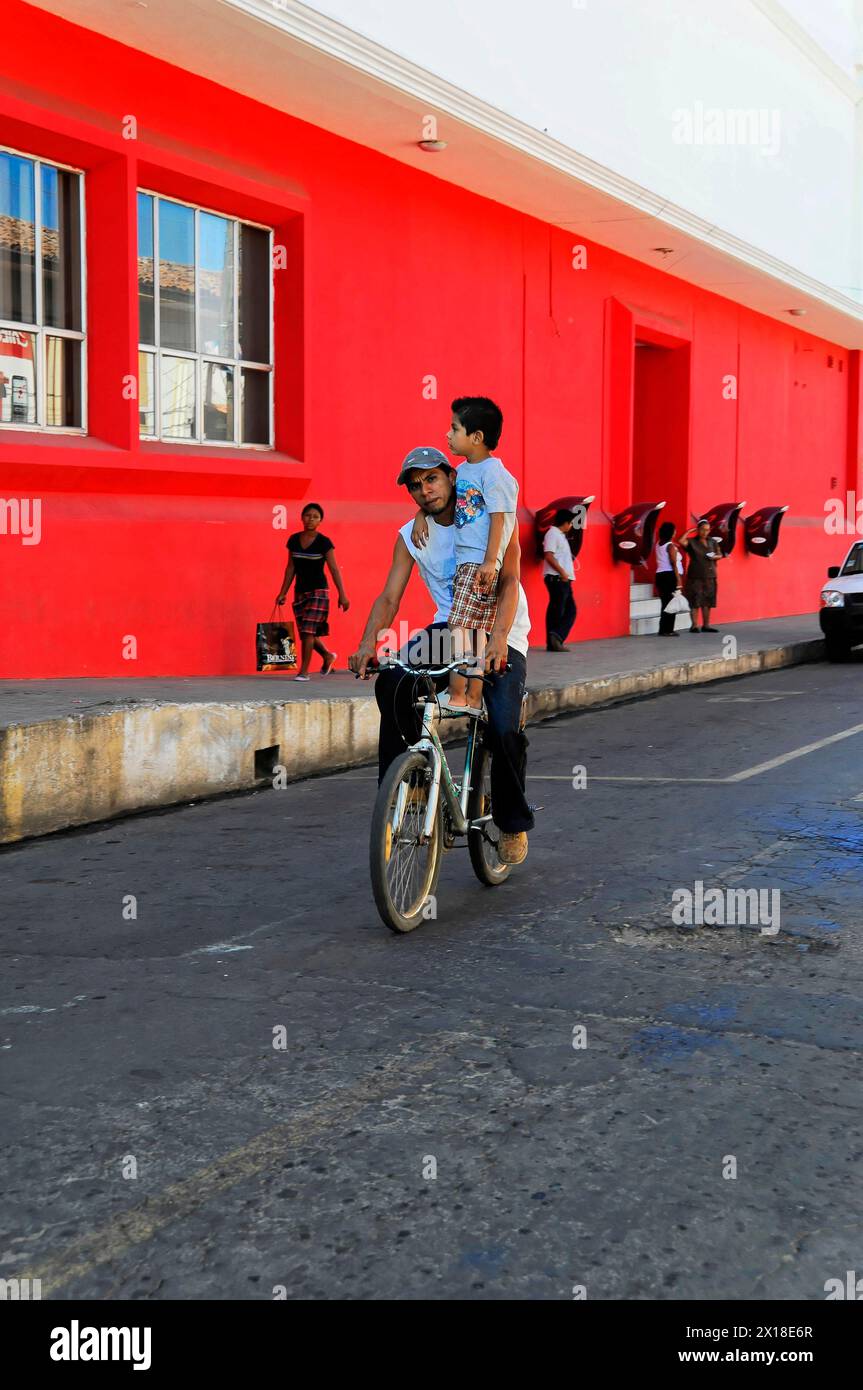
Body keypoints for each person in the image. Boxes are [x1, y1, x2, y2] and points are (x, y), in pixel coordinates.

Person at [349, 447, 533, 866]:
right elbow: (390, 597)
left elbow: (508, 581)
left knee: (502, 726)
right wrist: (366, 644)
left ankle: (511, 820)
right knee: (393, 680)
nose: (423, 490)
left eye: (431, 479)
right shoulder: (410, 536)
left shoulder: (488, 519)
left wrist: (500, 640)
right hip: (449, 632)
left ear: (452, 477)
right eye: (415, 485)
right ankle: (407, 784)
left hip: (503, 632)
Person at [411, 397, 517, 713]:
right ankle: (471, 697)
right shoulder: (463, 471)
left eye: (454, 428)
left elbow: (501, 517)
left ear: (477, 437)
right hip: (467, 562)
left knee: (459, 628)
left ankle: (458, 696)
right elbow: (443, 501)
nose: (447, 434)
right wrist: (420, 515)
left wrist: (490, 561)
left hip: (478, 563)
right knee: (473, 633)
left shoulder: (494, 473)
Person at [276, 503, 350, 680]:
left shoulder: (324, 542)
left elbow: (334, 569)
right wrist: (283, 592)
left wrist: (342, 594)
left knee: (308, 632)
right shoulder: (293, 540)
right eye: (308, 515)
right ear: (302, 518)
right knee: (305, 633)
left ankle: (304, 672)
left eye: (315, 517)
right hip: (300, 591)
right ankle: (327, 655)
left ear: (320, 521)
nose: (311, 519)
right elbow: (290, 568)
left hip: (319, 592)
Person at [679, 519, 722, 633]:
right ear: (698, 530)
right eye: (702, 529)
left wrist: (715, 557)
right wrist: (690, 531)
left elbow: (720, 554)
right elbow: (680, 541)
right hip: (695, 575)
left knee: (708, 601)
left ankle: (706, 625)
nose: (705, 532)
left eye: (707, 530)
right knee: (695, 600)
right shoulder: (692, 541)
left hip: (710, 574)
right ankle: (694, 625)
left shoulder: (713, 541)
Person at [542, 508, 577, 650]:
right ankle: (556, 637)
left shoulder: (559, 535)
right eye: (571, 522)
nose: (572, 526)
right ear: (565, 522)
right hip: (557, 578)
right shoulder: (552, 534)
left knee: (559, 609)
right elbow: (549, 555)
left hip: (561, 579)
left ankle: (554, 640)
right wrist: (562, 572)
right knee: (566, 610)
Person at [654, 520, 684, 636]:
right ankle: (669, 629)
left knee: (665, 603)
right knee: (672, 602)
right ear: (671, 532)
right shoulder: (670, 546)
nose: (676, 532)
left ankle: (663, 629)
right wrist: (678, 579)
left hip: (660, 575)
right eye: (674, 530)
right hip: (670, 575)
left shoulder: (659, 544)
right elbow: (673, 563)